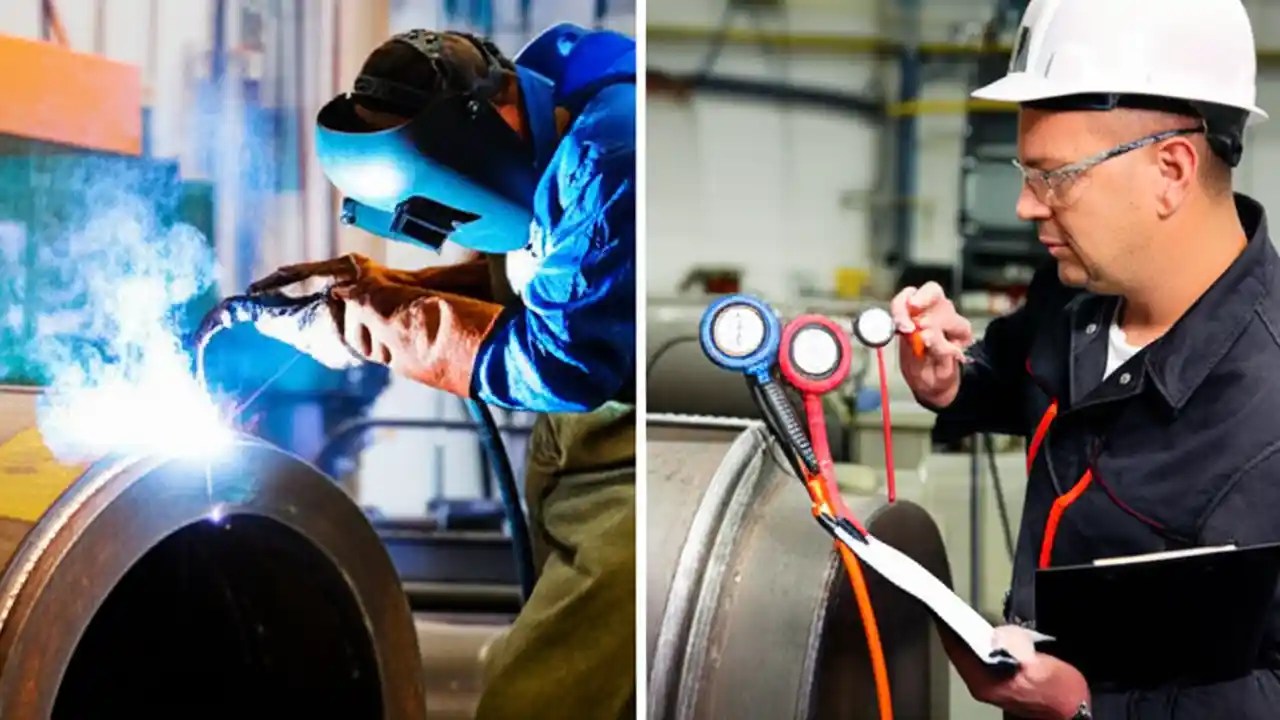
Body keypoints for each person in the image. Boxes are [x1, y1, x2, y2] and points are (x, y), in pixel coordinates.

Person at [891, 0, 1280, 718]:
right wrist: (952, 380)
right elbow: (1012, 382)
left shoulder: (1268, 404)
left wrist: (1092, 704)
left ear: (1171, 169)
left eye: (1055, 175)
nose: (1025, 206)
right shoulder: (1074, 296)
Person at [246, 24, 636, 720]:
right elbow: (555, 286)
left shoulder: (609, 157)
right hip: (574, 460)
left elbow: (563, 358)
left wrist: (373, 325)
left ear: (486, 124)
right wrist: (391, 291)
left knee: (538, 705)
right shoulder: (560, 122)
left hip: (630, 479)